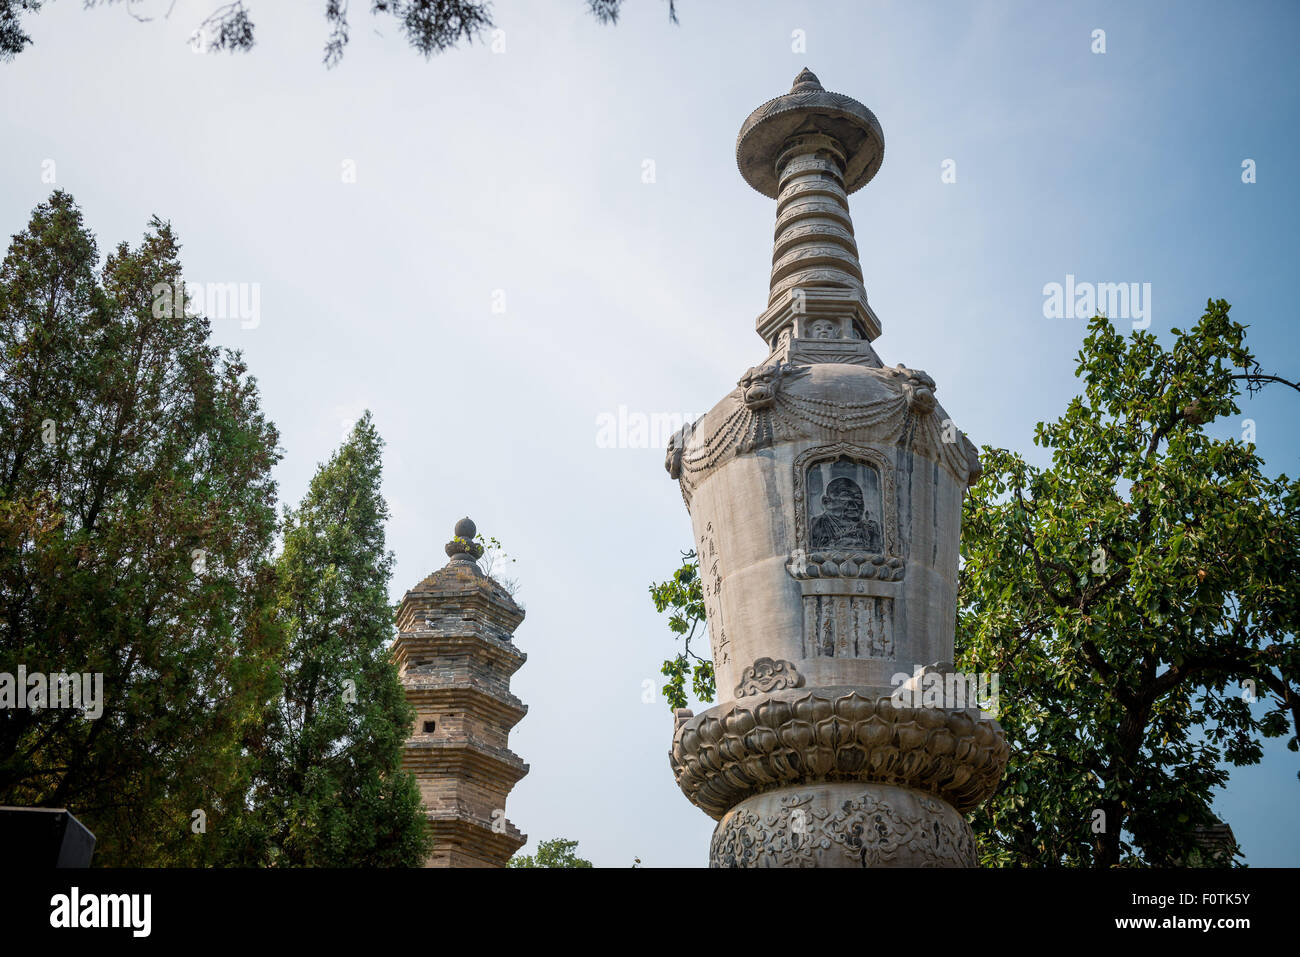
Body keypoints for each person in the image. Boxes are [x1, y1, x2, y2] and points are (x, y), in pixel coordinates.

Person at [810, 477, 881, 550]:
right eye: (844, 498)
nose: (854, 506)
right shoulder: (815, 525)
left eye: (858, 499)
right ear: (826, 502)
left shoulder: (870, 529)